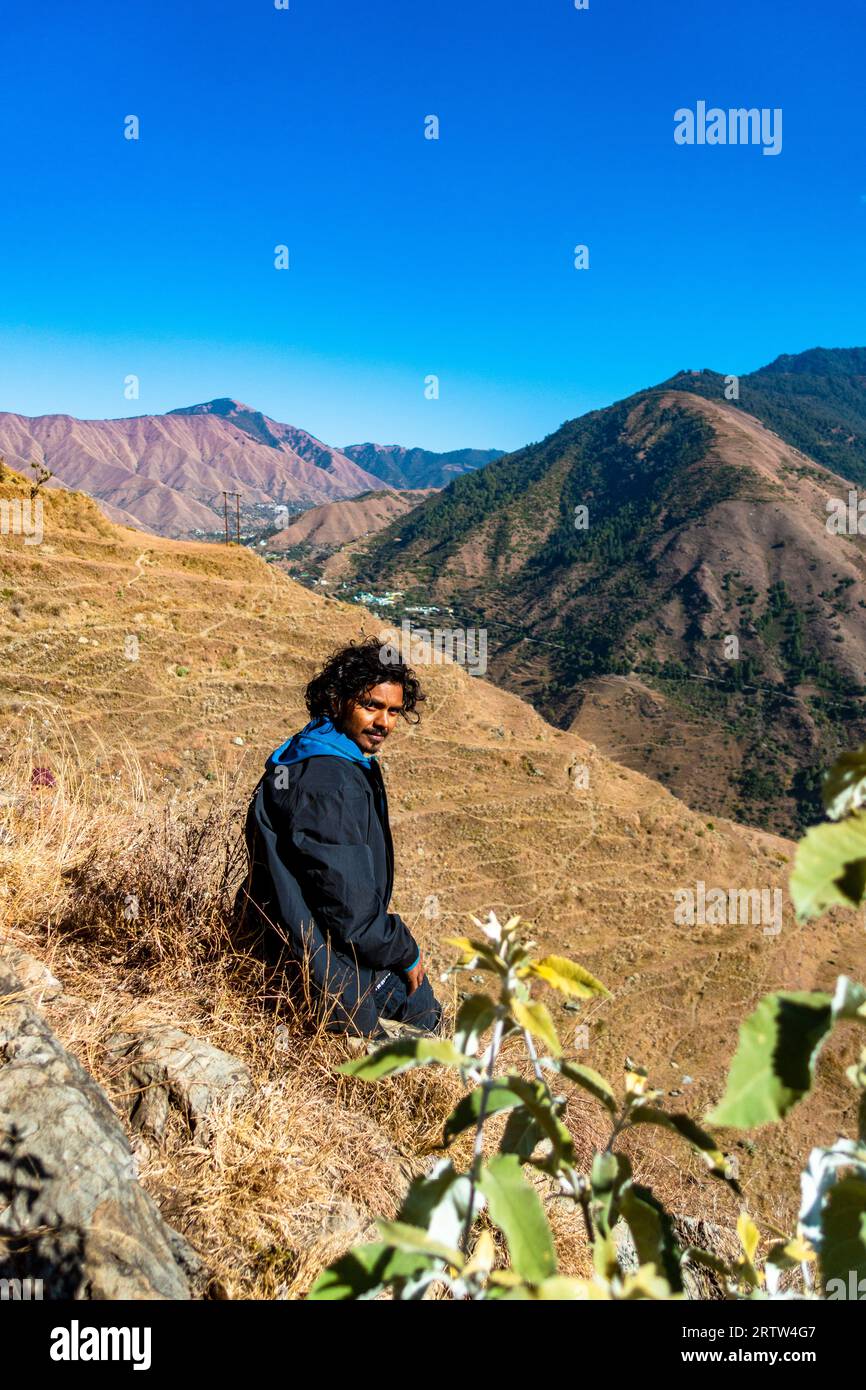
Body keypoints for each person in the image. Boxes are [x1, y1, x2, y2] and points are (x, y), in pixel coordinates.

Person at [235, 637, 443, 1040]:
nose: (384, 722)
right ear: (338, 700)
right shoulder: (330, 783)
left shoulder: (314, 751)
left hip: (302, 944)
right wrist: (406, 951)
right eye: (372, 706)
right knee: (423, 1015)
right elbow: (352, 914)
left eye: (394, 711)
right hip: (323, 968)